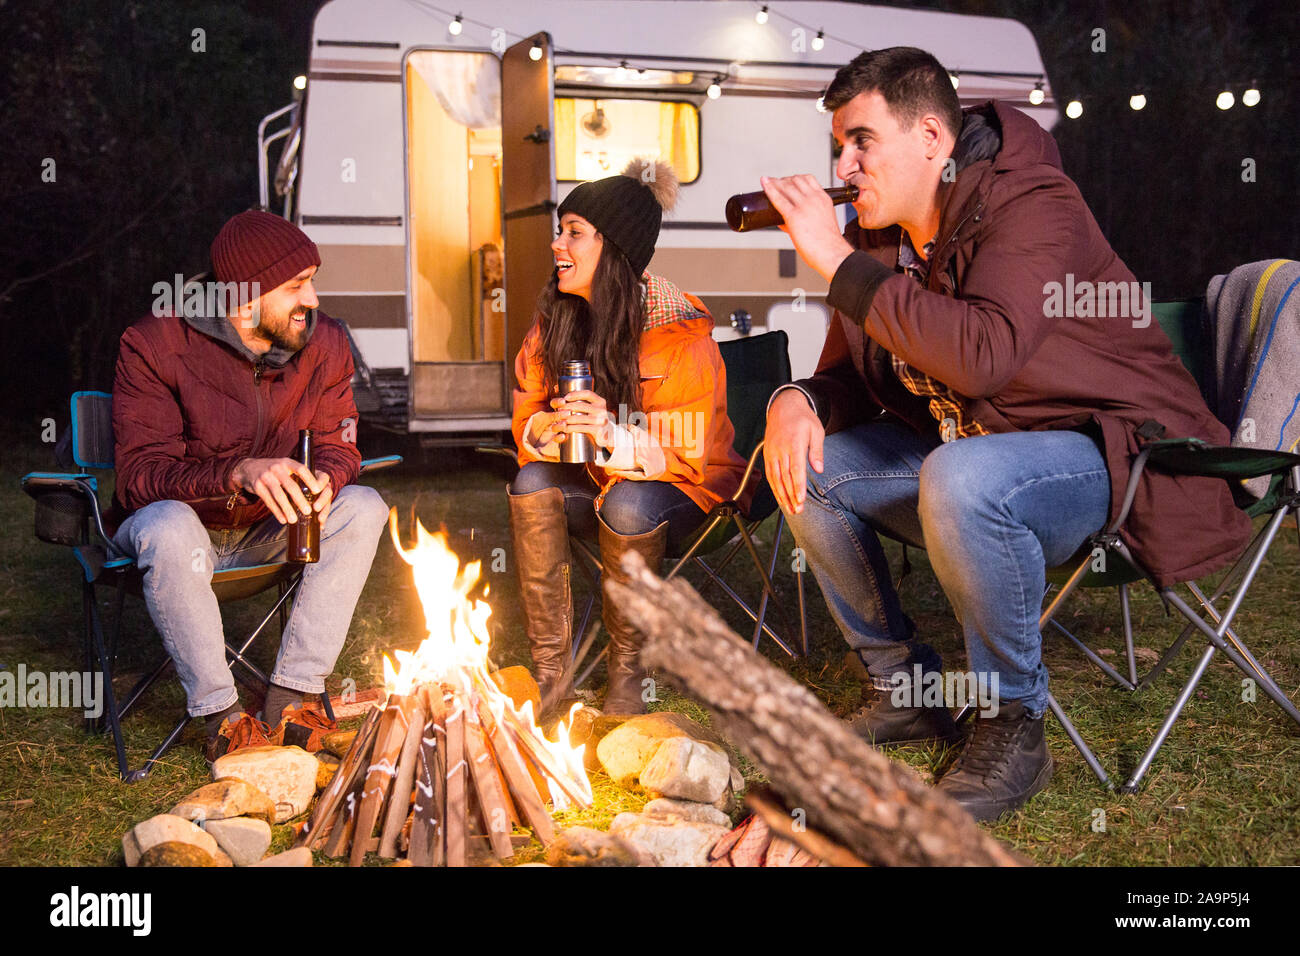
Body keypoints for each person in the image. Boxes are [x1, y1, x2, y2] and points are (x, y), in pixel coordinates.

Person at [759, 48, 1250, 820]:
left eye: (861, 141)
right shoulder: (885, 239)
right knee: (811, 463)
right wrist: (795, 400)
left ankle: (1012, 721)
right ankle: (905, 691)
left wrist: (832, 256)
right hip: (984, 449)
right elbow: (850, 381)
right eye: (839, 149)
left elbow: (982, 356)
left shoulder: (1034, 203)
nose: (846, 167)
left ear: (930, 136)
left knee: (963, 475)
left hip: (1113, 452)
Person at [111, 210, 390, 761]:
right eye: (295, 286)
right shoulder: (155, 342)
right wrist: (237, 473)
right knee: (168, 524)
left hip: (269, 530)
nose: (311, 299)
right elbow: (140, 476)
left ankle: (293, 694)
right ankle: (220, 716)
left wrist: (325, 480)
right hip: (180, 534)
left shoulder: (325, 342)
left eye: (312, 279)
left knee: (362, 506)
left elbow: (339, 444)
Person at [510, 159, 749, 715]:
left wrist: (612, 432)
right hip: (599, 480)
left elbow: (687, 448)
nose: (556, 244)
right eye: (558, 230)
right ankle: (551, 678)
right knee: (531, 482)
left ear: (613, 248)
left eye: (573, 232)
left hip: (690, 490)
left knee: (628, 500)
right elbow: (527, 414)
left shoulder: (678, 333)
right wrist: (555, 426)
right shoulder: (557, 322)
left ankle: (627, 676)